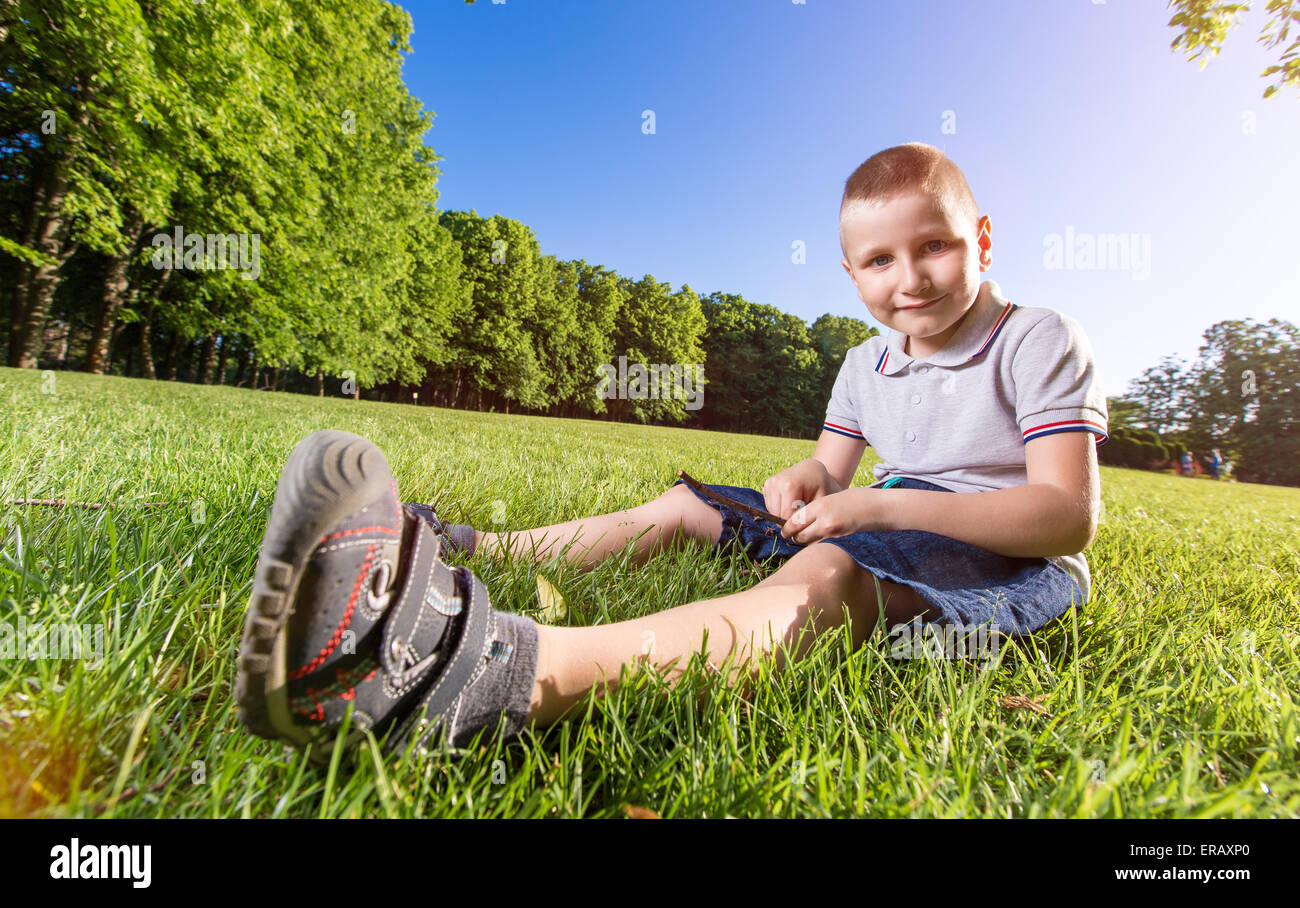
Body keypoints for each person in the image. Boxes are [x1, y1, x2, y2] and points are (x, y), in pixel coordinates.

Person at [234, 142, 1109, 758]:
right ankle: (448, 550)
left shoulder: (1036, 339)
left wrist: (873, 506)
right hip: (886, 517)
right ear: (850, 272)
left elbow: (1063, 519)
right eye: (879, 260)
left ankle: (494, 679)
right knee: (695, 504)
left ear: (982, 241)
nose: (908, 279)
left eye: (936, 247)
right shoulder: (863, 363)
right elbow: (828, 471)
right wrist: (805, 482)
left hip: (1004, 558)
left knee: (830, 575)